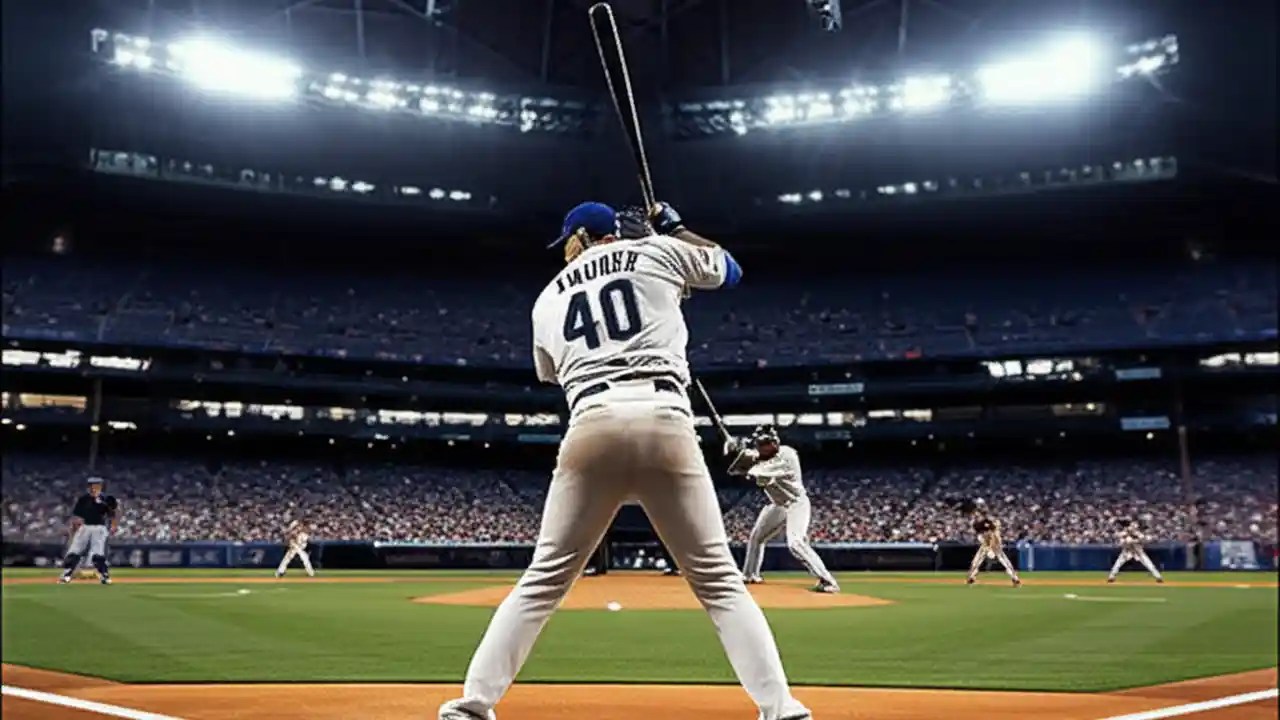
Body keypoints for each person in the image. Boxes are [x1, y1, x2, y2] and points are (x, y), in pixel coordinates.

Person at [438, 201, 811, 720]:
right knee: (721, 584)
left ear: (579, 237)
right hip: (665, 416)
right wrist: (677, 231)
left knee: (543, 580)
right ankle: (782, 707)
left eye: (566, 241)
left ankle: (473, 704)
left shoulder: (547, 298)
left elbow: (551, 373)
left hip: (591, 421)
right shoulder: (657, 250)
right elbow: (730, 269)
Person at [729, 425, 839, 593]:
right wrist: (736, 451)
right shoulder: (761, 455)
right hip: (778, 505)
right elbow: (734, 470)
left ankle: (828, 581)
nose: (768, 445)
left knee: (796, 543)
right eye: (763, 443)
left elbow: (753, 470)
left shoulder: (787, 455)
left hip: (796, 503)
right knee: (756, 537)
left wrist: (742, 456)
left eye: (770, 441)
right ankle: (750, 574)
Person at [59, 476, 117, 585]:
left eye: (96, 486)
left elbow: (112, 514)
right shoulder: (83, 499)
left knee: (98, 554)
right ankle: (67, 574)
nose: (93, 488)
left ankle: (104, 575)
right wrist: (73, 529)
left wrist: (113, 526)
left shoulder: (107, 499)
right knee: (74, 550)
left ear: (100, 487)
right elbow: (77, 516)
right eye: (91, 486)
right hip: (85, 526)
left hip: (99, 527)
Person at [965, 498, 1020, 587]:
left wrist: (991, 547)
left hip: (994, 543)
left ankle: (1015, 578)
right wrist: (985, 545)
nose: (975, 515)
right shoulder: (977, 524)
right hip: (985, 543)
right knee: (976, 561)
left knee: (1004, 560)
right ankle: (971, 577)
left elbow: (994, 535)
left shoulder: (988, 522)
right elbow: (981, 535)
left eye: (977, 513)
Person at [1107, 517, 1164, 583]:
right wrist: (1127, 539)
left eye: (1134, 527)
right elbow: (1122, 541)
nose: (1132, 528)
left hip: (1138, 551)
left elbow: (1144, 539)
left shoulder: (1138, 534)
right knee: (1118, 563)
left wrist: (1135, 540)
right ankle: (1111, 577)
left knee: (1149, 564)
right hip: (1127, 551)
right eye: (1131, 526)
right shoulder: (1124, 533)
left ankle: (1158, 577)